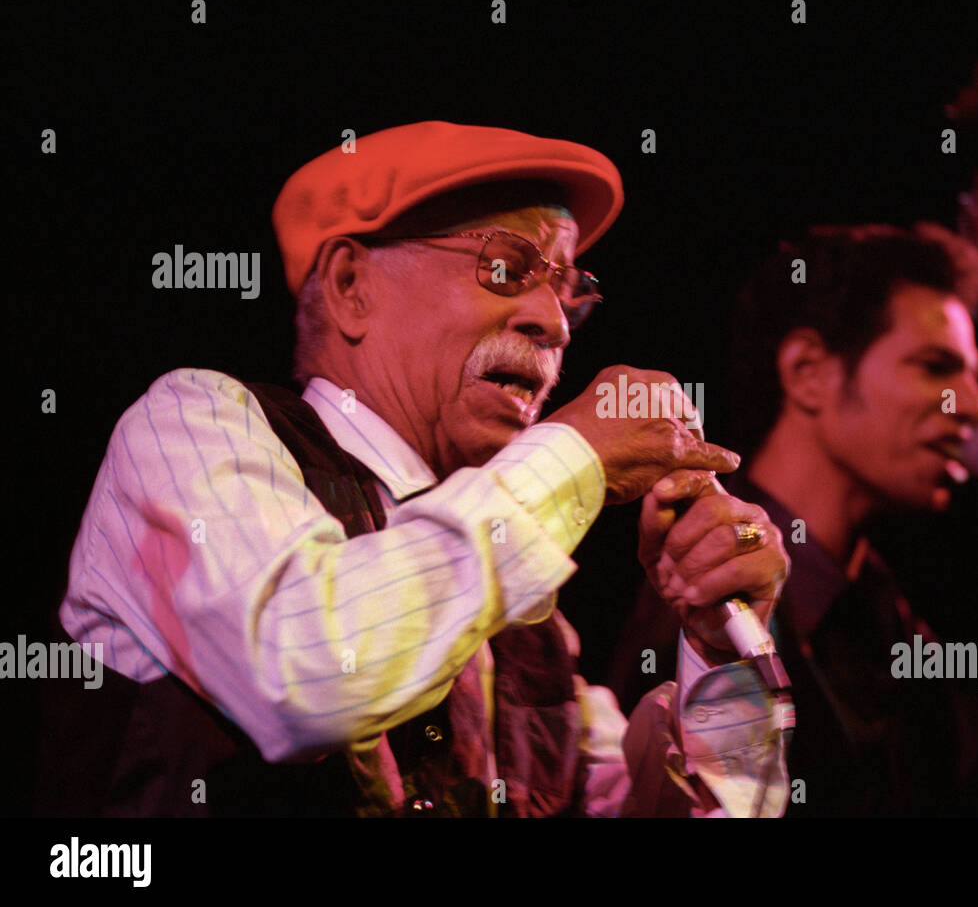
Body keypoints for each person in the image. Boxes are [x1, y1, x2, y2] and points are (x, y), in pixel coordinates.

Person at [37, 121, 790, 818]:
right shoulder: (192, 423)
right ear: (350, 286)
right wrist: (578, 451)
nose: (554, 322)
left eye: (567, 289)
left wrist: (718, 656)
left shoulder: (528, 627)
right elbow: (305, 672)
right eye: (506, 266)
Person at [610, 217, 978, 817]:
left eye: (973, 374)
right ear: (808, 373)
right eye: (937, 367)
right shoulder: (702, 575)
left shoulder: (882, 614)